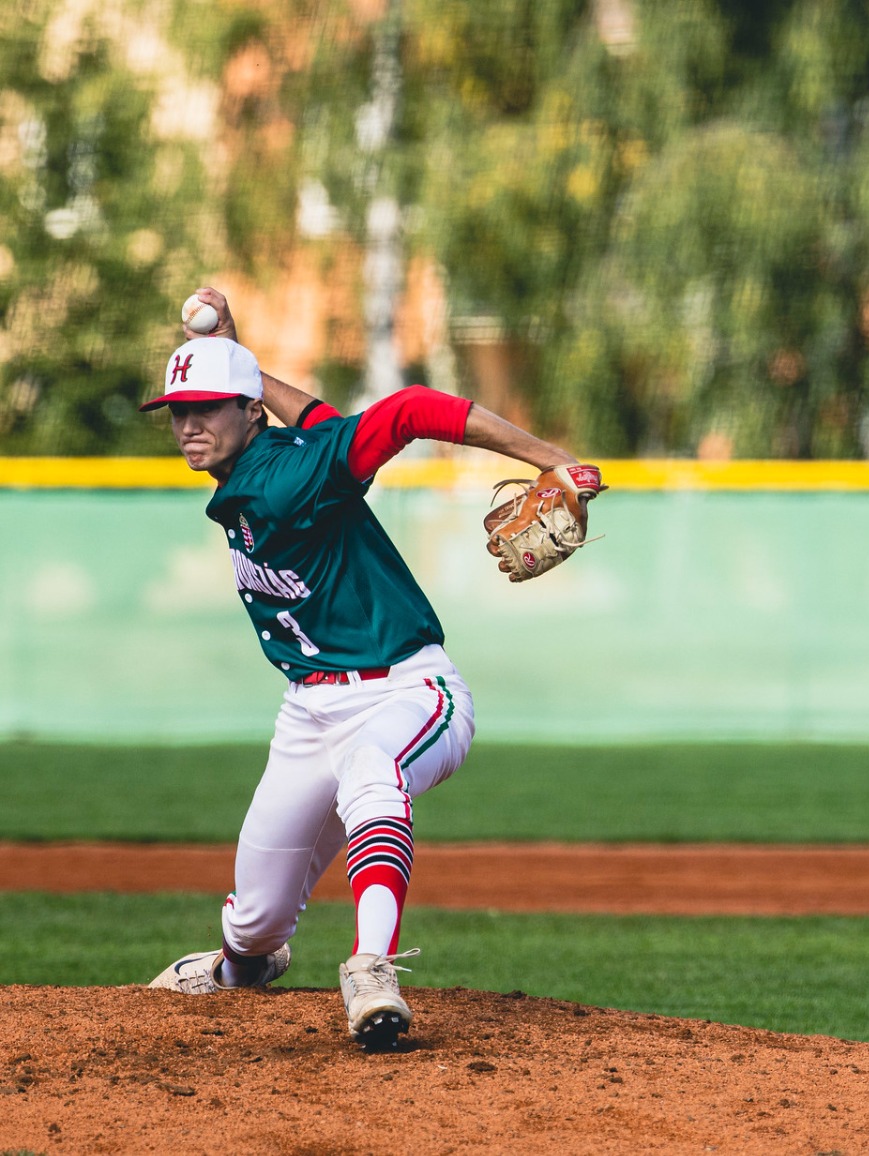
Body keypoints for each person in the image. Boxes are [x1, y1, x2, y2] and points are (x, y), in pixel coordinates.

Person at [145, 288, 604, 1048]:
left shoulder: (289, 476)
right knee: (254, 920)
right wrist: (245, 363)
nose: (189, 424)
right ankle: (238, 971)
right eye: (177, 410)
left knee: (371, 770)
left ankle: (371, 967)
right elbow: (323, 427)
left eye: (210, 407)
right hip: (307, 710)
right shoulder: (277, 463)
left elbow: (415, 406)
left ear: (248, 412)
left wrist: (558, 463)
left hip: (408, 690)